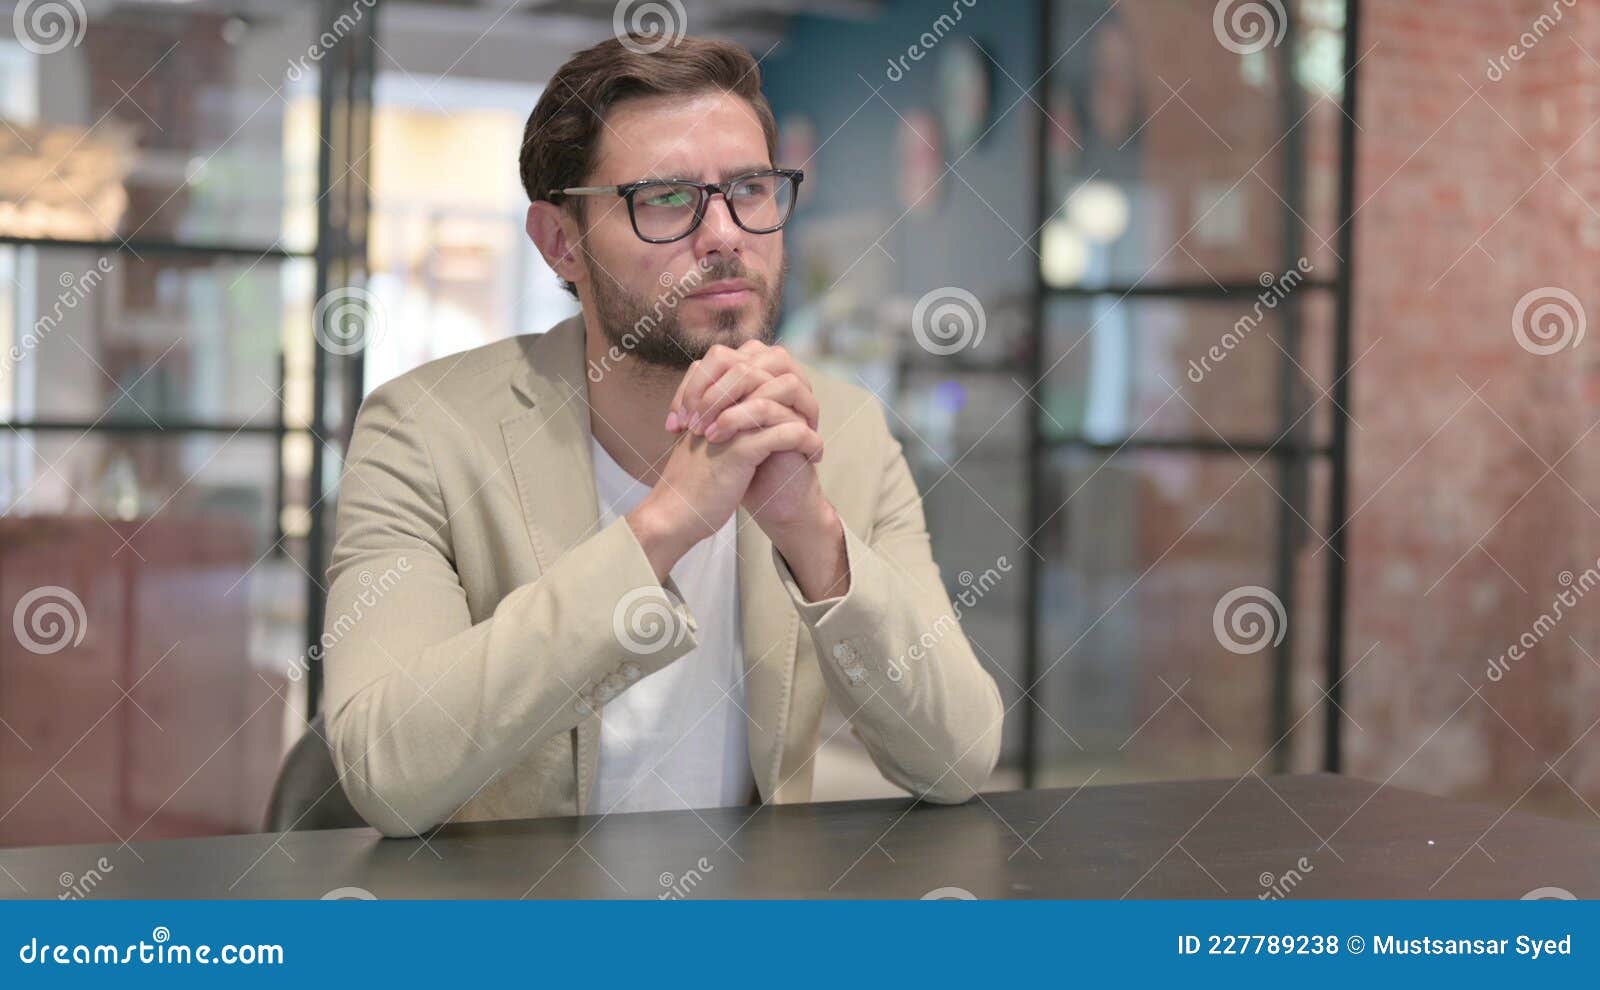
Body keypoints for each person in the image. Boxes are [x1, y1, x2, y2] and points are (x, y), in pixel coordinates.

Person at [320, 31, 1003, 837]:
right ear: (561, 243)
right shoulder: (423, 432)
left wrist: (814, 538)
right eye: (667, 199)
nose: (725, 235)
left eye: (750, 189)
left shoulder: (842, 432)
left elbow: (958, 758)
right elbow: (388, 773)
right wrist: (663, 526)